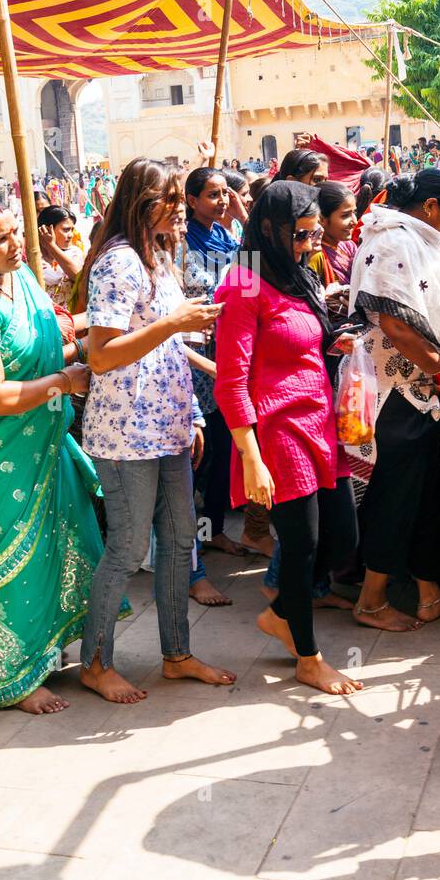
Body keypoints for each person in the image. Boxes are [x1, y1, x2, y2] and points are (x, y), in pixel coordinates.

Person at [0, 198, 108, 714]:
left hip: (45, 437)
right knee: (16, 557)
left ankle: (44, 653)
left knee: (59, 542)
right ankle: (5, 677)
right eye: (1, 239)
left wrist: (118, 323)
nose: (17, 246)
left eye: (16, 232)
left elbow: (47, 346)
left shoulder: (17, 280)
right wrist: (63, 382)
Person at [80, 158, 237, 704]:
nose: (180, 208)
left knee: (175, 544)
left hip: (168, 424)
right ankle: (96, 662)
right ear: (144, 203)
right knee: (125, 548)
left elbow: (166, 345)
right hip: (126, 434)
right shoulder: (118, 263)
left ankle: (177, 655)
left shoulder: (161, 258)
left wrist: (194, 410)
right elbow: (100, 355)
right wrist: (175, 323)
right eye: (171, 198)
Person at [214, 181, 363, 695]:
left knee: (343, 539)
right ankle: (308, 657)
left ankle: (281, 614)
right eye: (301, 233)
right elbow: (231, 381)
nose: (310, 242)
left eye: (315, 232)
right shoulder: (245, 283)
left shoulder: (295, 271)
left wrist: (332, 343)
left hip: (320, 421)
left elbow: (299, 340)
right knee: (301, 548)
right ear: (272, 229)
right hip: (277, 432)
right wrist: (250, 457)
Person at [347, 169, 440, 630]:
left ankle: (429, 592)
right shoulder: (394, 241)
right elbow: (396, 326)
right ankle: (371, 600)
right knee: (396, 495)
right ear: (433, 207)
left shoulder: (412, 239)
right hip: (398, 391)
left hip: (422, 388)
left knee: (424, 492)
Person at [182, 168, 244, 566]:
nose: (221, 201)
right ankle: (190, 540)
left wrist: (239, 214)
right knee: (195, 451)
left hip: (224, 351)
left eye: (224, 194)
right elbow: (194, 290)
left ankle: (215, 529)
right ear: (191, 200)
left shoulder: (226, 236)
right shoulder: (179, 239)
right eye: (212, 195)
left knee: (222, 445)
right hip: (192, 355)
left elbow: (249, 280)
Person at [308, 181, 357, 288]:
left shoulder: (349, 246)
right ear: (321, 219)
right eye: (345, 215)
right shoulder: (314, 254)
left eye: (354, 213)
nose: (354, 222)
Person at [37, 205, 84, 308]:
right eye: (66, 230)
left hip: (70, 319)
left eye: (72, 229)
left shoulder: (74, 253)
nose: (71, 235)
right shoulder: (34, 256)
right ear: (47, 230)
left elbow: (77, 275)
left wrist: (51, 246)